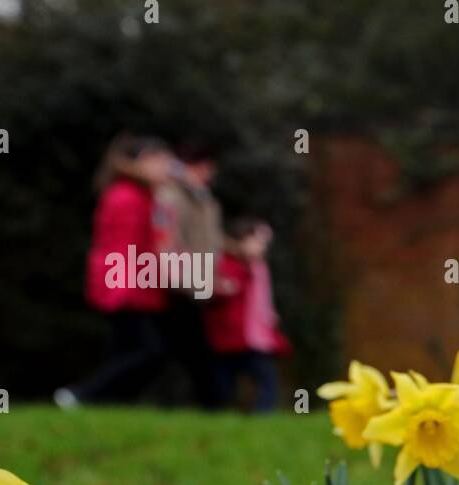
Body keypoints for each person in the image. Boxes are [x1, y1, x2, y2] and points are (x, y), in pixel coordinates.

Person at [55, 135, 175, 407]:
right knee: (148, 351)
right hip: (128, 286)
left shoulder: (144, 196)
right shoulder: (127, 197)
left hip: (135, 285)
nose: (167, 169)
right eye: (161, 162)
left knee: (126, 350)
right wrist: (123, 288)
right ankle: (80, 395)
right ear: (142, 162)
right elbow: (122, 248)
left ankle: (107, 403)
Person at [157, 138, 225, 408]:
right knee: (191, 350)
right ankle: (212, 405)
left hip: (195, 282)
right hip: (181, 284)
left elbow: (209, 240)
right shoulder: (173, 195)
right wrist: (186, 277)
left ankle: (207, 404)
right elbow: (170, 240)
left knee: (188, 350)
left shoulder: (198, 196)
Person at [204, 218, 290, 412]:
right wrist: (221, 288)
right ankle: (220, 412)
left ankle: (262, 413)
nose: (261, 248)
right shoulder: (227, 264)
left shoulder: (258, 268)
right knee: (225, 382)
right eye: (257, 242)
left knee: (266, 377)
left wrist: (269, 317)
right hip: (230, 335)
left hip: (254, 338)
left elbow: (262, 298)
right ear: (241, 240)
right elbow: (212, 292)